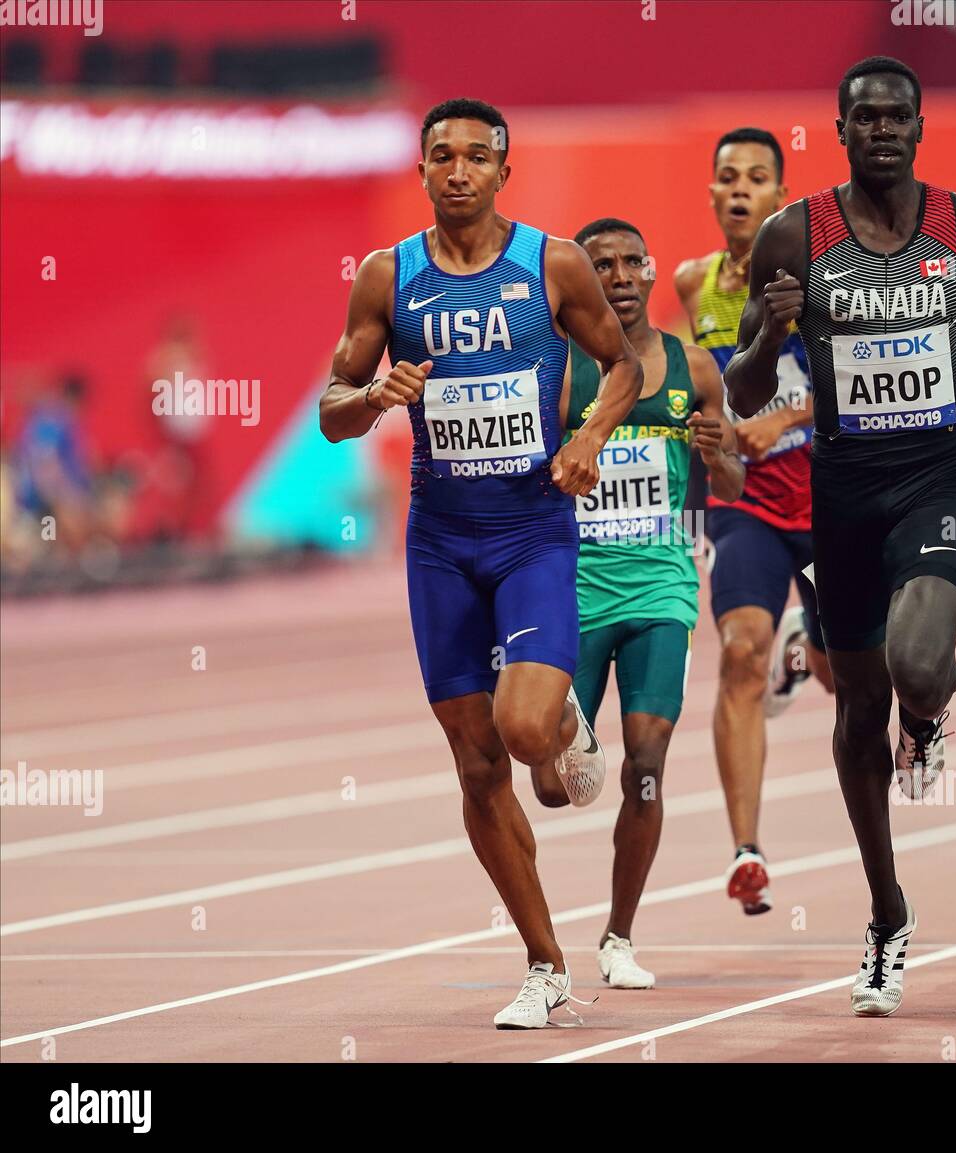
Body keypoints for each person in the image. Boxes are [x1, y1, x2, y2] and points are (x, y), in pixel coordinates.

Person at [724, 57, 956, 1016]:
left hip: (942, 476)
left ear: (917, 128)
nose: (881, 130)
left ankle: (932, 709)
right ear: (838, 129)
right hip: (846, 492)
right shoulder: (793, 236)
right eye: (863, 117)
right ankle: (888, 914)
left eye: (897, 116)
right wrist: (766, 339)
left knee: (916, 659)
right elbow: (742, 393)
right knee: (857, 711)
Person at [320, 99, 643, 1029]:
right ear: (422, 170)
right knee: (474, 764)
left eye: (476, 157)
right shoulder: (389, 277)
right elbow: (332, 408)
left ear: (507, 170)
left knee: (526, 729)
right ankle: (545, 962)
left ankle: (563, 714)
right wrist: (377, 395)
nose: (457, 170)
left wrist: (586, 435)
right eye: (440, 157)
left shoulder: (553, 264)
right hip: (441, 544)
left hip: (532, 530)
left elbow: (623, 366)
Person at [566, 218, 745, 988]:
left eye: (630, 261)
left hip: (662, 584)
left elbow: (734, 483)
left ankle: (618, 936)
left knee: (647, 764)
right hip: (570, 588)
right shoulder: (560, 369)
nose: (619, 276)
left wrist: (717, 453)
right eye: (600, 265)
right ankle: (574, 738)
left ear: (649, 269)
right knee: (551, 781)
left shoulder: (692, 365)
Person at [673, 127, 832, 917]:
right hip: (741, 499)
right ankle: (747, 849)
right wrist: (714, 428)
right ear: (711, 194)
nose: (740, 189)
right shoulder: (693, 282)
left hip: (831, 498)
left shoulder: (818, 274)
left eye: (757, 178)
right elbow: (705, 387)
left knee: (849, 677)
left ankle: (810, 650)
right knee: (739, 653)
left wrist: (789, 416)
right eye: (727, 176)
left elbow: (857, 382)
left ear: (781, 195)